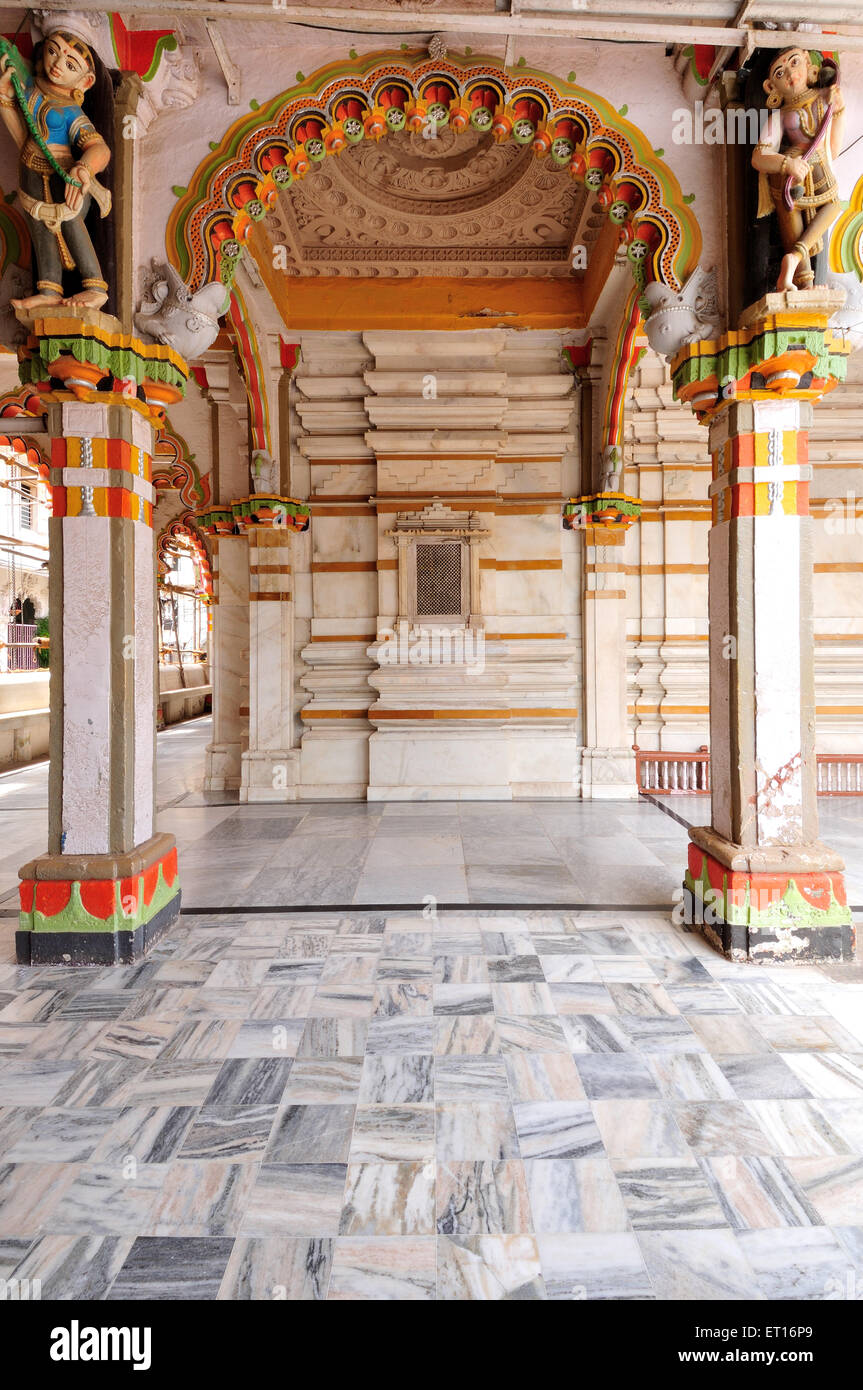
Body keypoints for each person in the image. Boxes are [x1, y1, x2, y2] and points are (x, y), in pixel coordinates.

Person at [0, 29, 111, 310]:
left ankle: (95, 285)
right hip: (31, 176)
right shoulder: (30, 91)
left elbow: (100, 149)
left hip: (65, 178)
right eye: (53, 51)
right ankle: (49, 289)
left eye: (70, 64)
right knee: (40, 229)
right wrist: (4, 96)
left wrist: (83, 169)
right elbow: (21, 133)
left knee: (72, 223)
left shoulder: (71, 110)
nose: (58, 64)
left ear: (85, 81)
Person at [751, 47, 845, 292]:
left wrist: (839, 111)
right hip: (792, 172)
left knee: (833, 205)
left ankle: (794, 260)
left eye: (794, 63)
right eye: (780, 73)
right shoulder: (780, 117)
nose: (791, 74)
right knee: (791, 207)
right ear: (771, 88)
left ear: (808, 64)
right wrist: (786, 164)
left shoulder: (824, 99)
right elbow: (759, 157)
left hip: (819, 169)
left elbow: (832, 150)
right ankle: (802, 278)